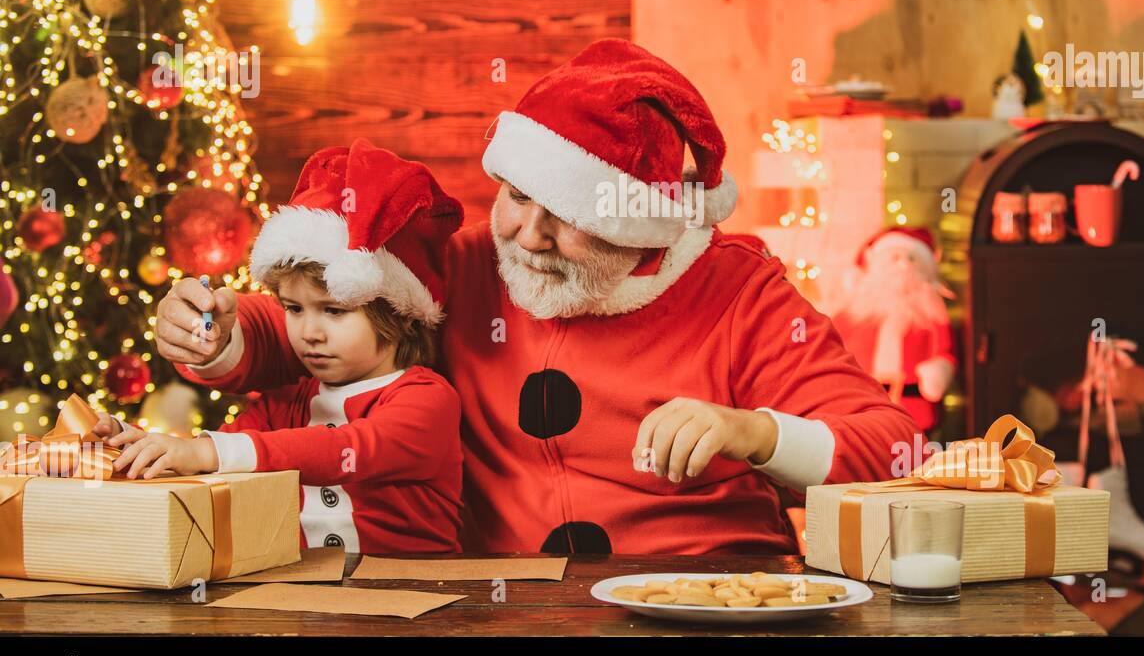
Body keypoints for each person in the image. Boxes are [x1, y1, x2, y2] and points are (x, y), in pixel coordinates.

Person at [155, 38, 920, 555]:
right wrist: (223, 335)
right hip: (504, 610)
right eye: (517, 194)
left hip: (701, 602)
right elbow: (338, 303)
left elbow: (890, 446)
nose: (526, 234)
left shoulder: (738, 294)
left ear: (642, 228)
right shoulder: (469, 265)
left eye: (571, 218)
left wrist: (754, 431)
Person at [100, 139, 465, 555]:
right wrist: (137, 448)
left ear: (398, 315)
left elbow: (344, 449)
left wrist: (203, 451)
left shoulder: (427, 400)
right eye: (294, 308)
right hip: (311, 598)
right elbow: (217, 455)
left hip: (415, 596)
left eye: (334, 311)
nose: (309, 332)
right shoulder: (289, 400)